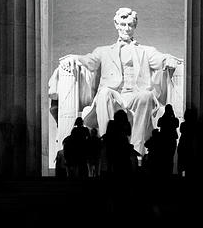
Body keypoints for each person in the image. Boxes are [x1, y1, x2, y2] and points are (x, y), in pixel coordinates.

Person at [58, 8, 180, 155]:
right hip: (115, 95)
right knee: (104, 93)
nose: (126, 29)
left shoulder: (146, 51)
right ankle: (107, 146)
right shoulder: (103, 51)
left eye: (130, 25)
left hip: (135, 94)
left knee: (146, 96)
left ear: (135, 26)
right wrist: (74, 58)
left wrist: (169, 59)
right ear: (116, 24)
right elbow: (89, 61)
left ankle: (137, 149)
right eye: (123, 24)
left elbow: (160, 59)